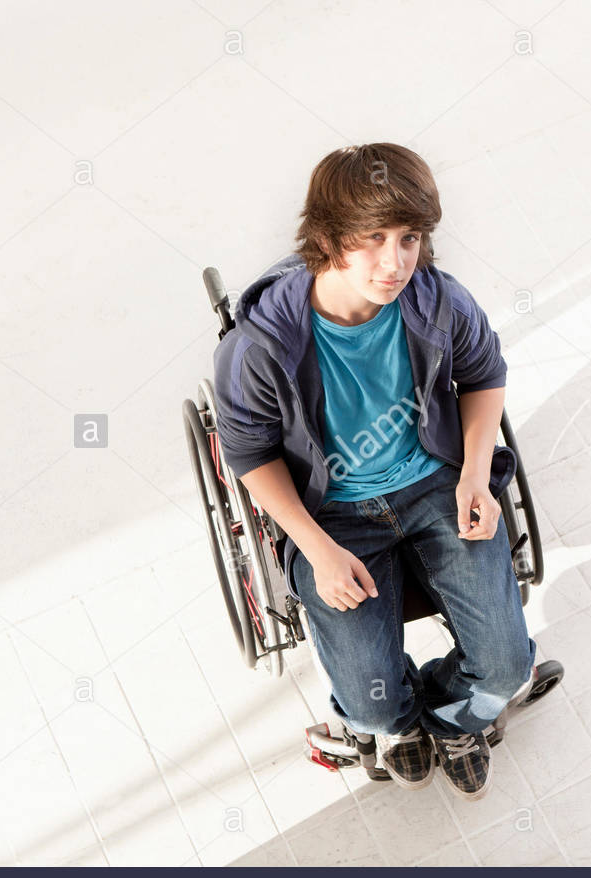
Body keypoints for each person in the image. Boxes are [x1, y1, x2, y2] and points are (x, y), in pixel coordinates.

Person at [211, 143, 536, 801]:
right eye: (373, 239)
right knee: (370, 709)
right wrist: (316, 549)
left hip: (435, 484)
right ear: (328, 239)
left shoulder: (438, 302)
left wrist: (475, 474)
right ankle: (401, 717)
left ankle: (450, 717)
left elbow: (483, 376)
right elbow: (249, 454)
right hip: (331, 513)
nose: (396, 263)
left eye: (410, 238)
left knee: (505, 669)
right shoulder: (259, 347)